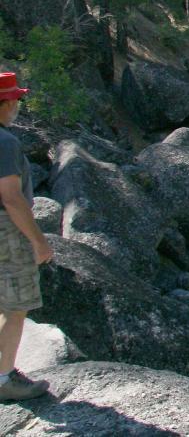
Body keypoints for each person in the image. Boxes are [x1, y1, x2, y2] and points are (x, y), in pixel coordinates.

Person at [0, 72, 52, 401]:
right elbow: (12, 198)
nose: (19, 104)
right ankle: (4, 379)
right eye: (16, 99)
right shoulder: (5, 143)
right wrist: (39, 241)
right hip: (7, 229)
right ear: (3, 103)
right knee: (15, 307)